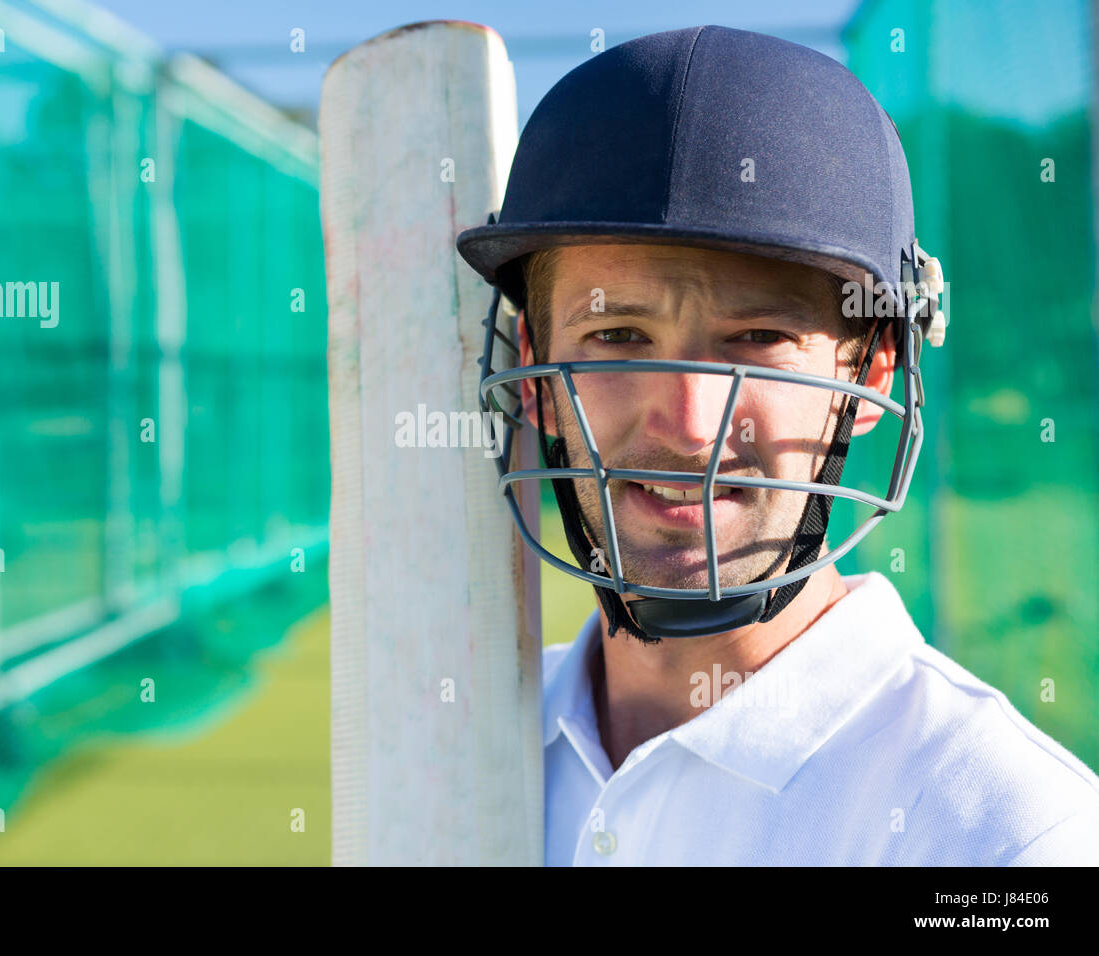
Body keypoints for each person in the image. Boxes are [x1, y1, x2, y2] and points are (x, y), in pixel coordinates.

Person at [456, 25, 1099, 865]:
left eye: (758, 334)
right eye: (616, 333)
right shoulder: (447, 756)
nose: (687, 425)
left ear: (871, 374)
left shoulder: (1005, 834)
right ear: (535, 372)